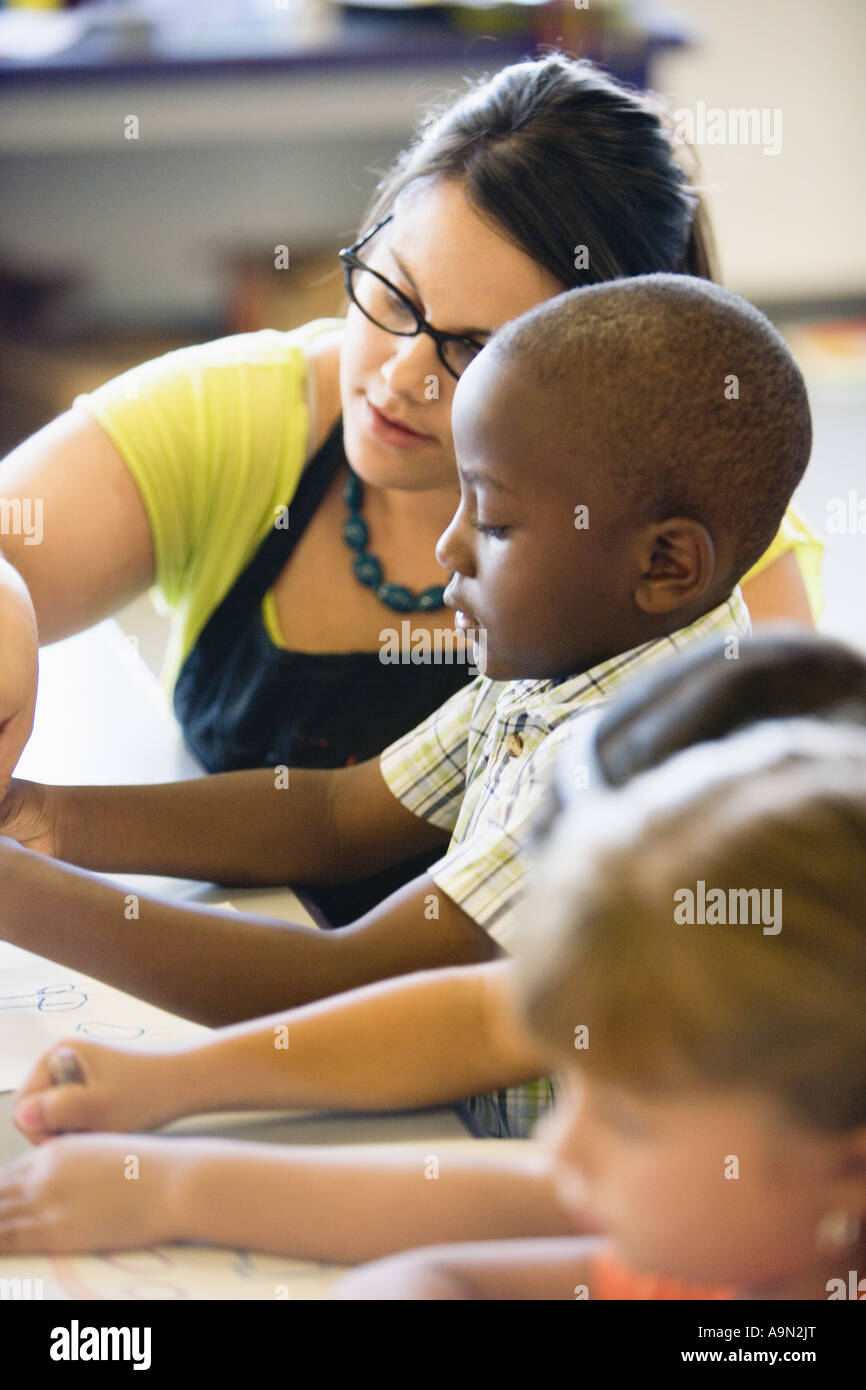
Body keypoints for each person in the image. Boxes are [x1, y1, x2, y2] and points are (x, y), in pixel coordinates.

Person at [0, 55, 821, 923]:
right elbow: (331, 818)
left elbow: (768, 902)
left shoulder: (701, 537)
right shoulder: (241, 409)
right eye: (392, 290)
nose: (399, 376)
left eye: (472, 351)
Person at [0, 274, 808, 1136]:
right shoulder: (583, 647)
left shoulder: (639, 765)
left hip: (561, 1199)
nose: (448, 543)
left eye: (494, 523)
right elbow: (336, 817)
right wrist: (40, 818)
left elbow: (349, 979)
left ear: (665, 566)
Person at [3, 634, 865, 1264]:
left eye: (627, 1117)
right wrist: (174, 1114)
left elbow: (550, 1213)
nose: (560, 1152)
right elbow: (485, 1026)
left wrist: (178, 1184)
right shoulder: (740, 1207)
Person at [332, 719, 866, 1299]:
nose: (557, 1147)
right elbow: (432, 1278)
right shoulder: (732, 1271)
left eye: (624, 1118)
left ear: (851, 1170)